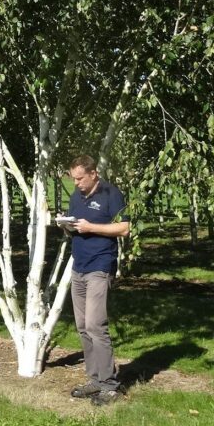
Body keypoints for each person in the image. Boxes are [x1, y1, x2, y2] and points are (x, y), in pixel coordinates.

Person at [64, 154, 129, 406]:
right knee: (82, 326)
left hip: (100, 267)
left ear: (93, 173)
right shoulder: (76, 196)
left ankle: (110, 385)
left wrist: (91, 227)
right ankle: (95, 380)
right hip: (78, 267)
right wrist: (66, 225)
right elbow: (76, 225)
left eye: (80, 178)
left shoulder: (111, 194)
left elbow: (124, 228)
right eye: (74, 179)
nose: (77, 183)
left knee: (95, 325)